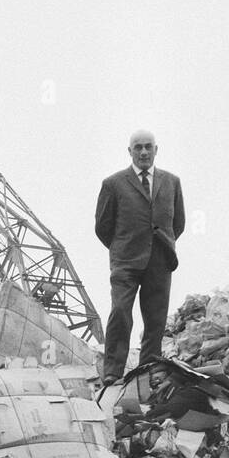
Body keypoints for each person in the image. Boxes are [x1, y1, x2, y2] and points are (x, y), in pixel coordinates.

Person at [93, 130, 186, 384]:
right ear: (129, 151)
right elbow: (103, 226)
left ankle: (148, 369)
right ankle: (113, 370)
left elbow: (178, 223)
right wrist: (122, 247)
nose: (143, 152)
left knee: (156, 317)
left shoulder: (172, 182)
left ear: (157, 150)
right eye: (138, 147)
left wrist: (162, 245)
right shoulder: (113, 184)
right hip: (125, 261)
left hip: (160, 259)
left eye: (148, 147)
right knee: (121, 311)